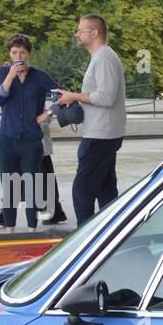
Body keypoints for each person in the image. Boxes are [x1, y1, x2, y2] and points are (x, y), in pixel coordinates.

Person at [53, 14, 126, 224]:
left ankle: (84, 240)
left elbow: (106, 97)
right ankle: (111, 235)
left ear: (94, 33)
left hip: (100, 135)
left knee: (82, 190)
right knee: (106, 191)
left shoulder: (103, 57)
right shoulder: (101, 57)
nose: (77, 34)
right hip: (104, 133)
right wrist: (72, 97)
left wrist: (74, 96)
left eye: (81, 30)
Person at [0, 34, 55, 232]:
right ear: (9, 53)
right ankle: (10, 232)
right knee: (9, 187)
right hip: (7, 139)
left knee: (32, 186)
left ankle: (32, 230)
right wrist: (10, 76)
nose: (19, 56)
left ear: (28, 54)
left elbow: (61, 95)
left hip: (32, 142)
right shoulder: (4, 72)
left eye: (22, 52)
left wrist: (48, 113)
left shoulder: (40, 76)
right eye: (15, 52)